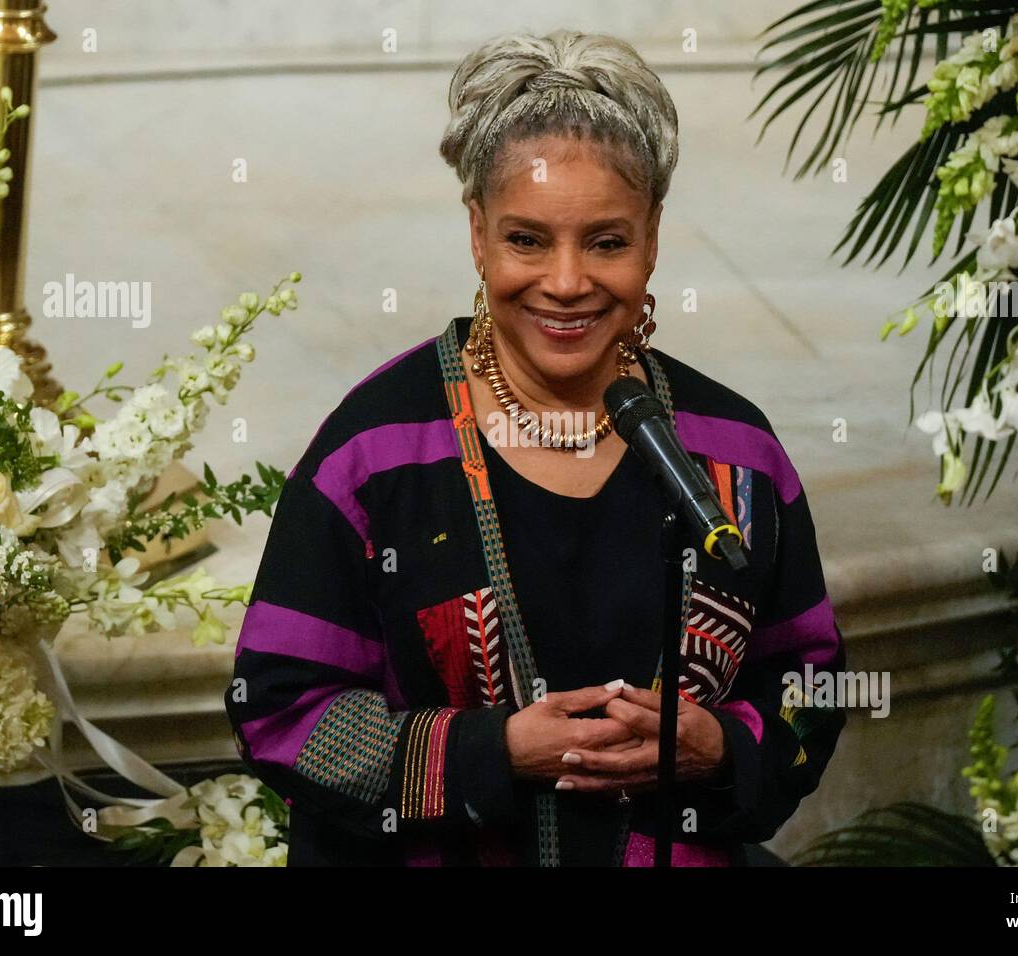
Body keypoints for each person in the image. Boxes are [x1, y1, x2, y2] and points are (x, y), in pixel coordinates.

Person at [224, 28, 847, 866]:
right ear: (477, 233)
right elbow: (278, 709)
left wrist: (718, 745)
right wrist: (496, 752)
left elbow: (813, 684)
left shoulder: (735, 450)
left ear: (653, 236)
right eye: (526, 239)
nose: (565, 282)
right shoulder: (376, 452)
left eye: (607, 241)